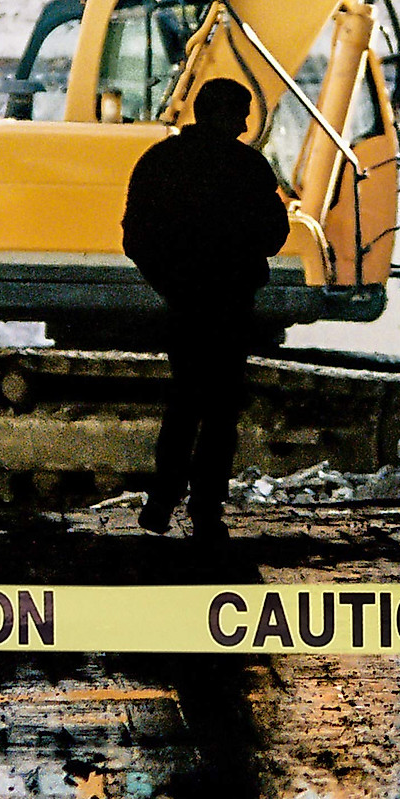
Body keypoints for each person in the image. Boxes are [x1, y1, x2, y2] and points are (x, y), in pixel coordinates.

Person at [121, 76, 289, 551]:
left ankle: (160, 502)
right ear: (227, 115)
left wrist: (173, 284)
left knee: (184, 404)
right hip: (230, 306)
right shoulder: (249, 168)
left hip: (184, 304)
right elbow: (274, 236)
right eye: (240, 113)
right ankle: (205, 512)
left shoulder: (159, 162)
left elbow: (136, 237)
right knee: (220, 414)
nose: (244, 122)